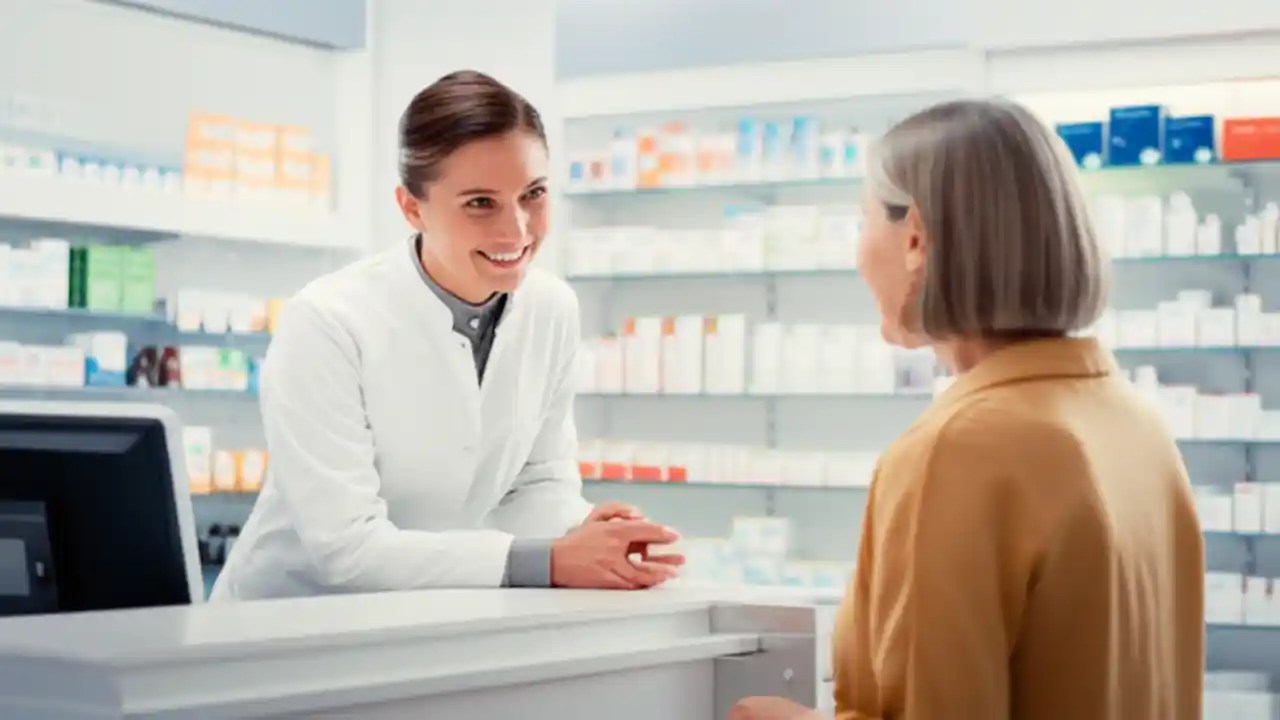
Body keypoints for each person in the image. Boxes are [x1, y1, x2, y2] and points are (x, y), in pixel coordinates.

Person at [731, 98, 1204, 719]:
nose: (857, 255)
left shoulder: (961, 450)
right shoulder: (1132, 421)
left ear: (916, 238)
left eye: (863, 221)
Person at [211, 70, 683, 601]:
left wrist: (588, 530)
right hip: (283, 627)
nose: (518, 230)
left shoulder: (551, 309)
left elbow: (536, 485)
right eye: (481, 203)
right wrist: (551, 560)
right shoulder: (327, 321)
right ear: (412, 207)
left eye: (533, 194)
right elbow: (347, 550)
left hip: (426, 618)